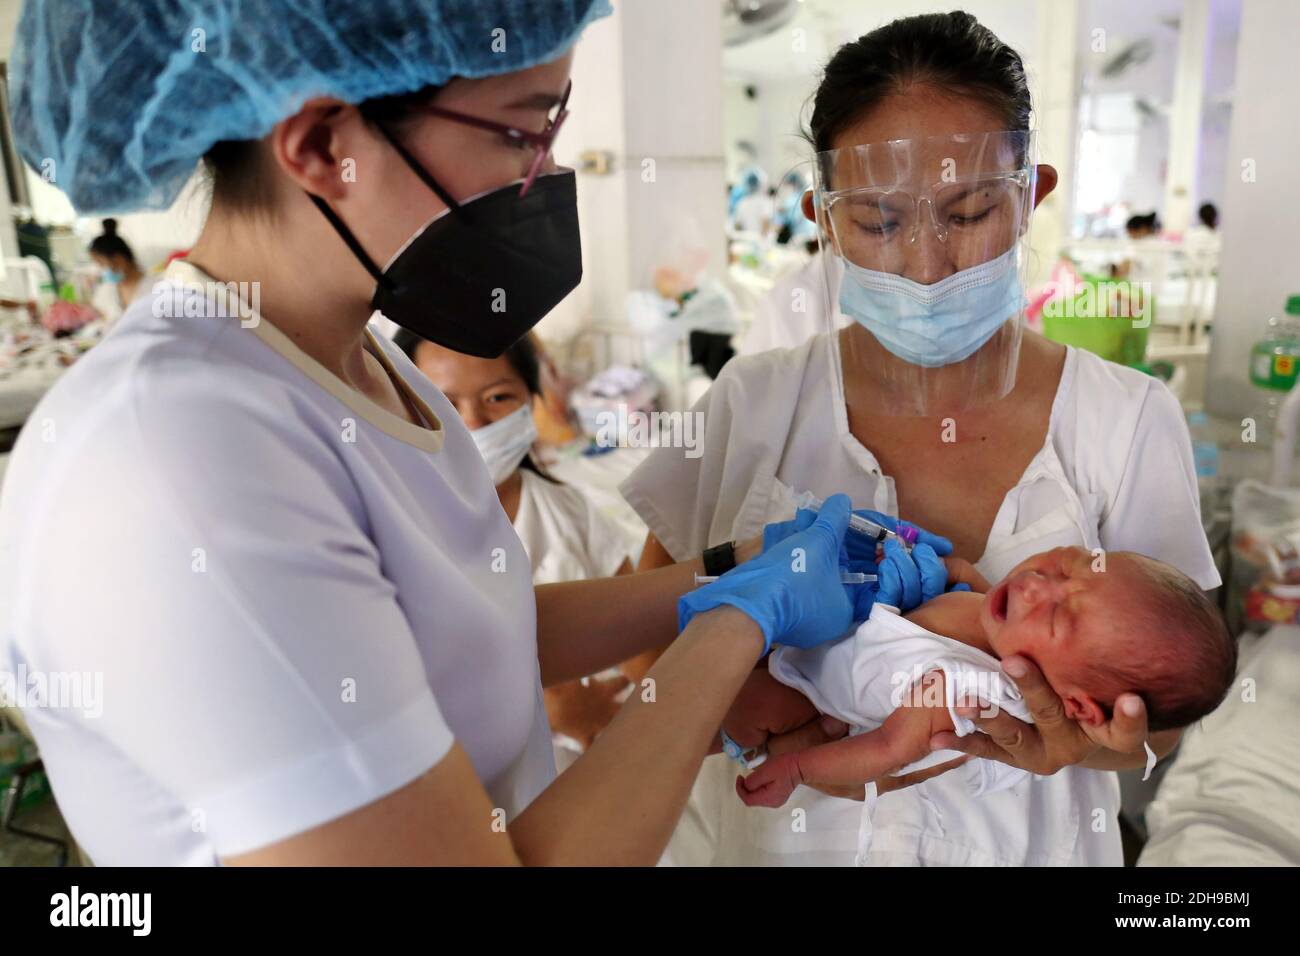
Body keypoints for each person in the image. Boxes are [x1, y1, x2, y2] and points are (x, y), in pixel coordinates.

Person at [0, 0, 912, 866]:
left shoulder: (364, 366)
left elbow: (474, 628)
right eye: (522, 133)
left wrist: (733, 568)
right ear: (321, 146)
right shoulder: (180, 457)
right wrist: (734, 629)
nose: (549, 176)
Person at [623, 10, 1212, 866]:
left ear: (1031, 195)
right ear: (821, 220)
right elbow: (639, 627)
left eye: (970, 211)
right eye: (879, 223)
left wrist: (1078, 743)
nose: (928, 264)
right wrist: (742, 714)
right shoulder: (756, 402)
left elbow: (1166, 704)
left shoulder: (1125, 420)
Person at [728, 546, 1235, 867]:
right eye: (1071, 563)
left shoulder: (966, 689)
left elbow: (888, 747)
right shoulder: (999, 618)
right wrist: (949, 576)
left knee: (733, 703)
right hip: (804, 646)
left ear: (1079, 707)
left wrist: (796, 769)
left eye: (1057, 614)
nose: (1037, 584)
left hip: (811, 701)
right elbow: (951, 603)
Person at [395, 328, 634, 758]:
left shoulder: (569, 511)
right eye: (441, 401)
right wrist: (544, 710)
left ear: (531, 404)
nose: (470, 423)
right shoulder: (383, 531)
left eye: (497, 398)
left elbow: (641, 633)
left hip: (596, 773)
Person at [87, 218, 146, 327]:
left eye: (101, 263)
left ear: (119, 259)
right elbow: (101, 315)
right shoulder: (109, 289)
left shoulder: (155, 287)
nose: (100, 270)